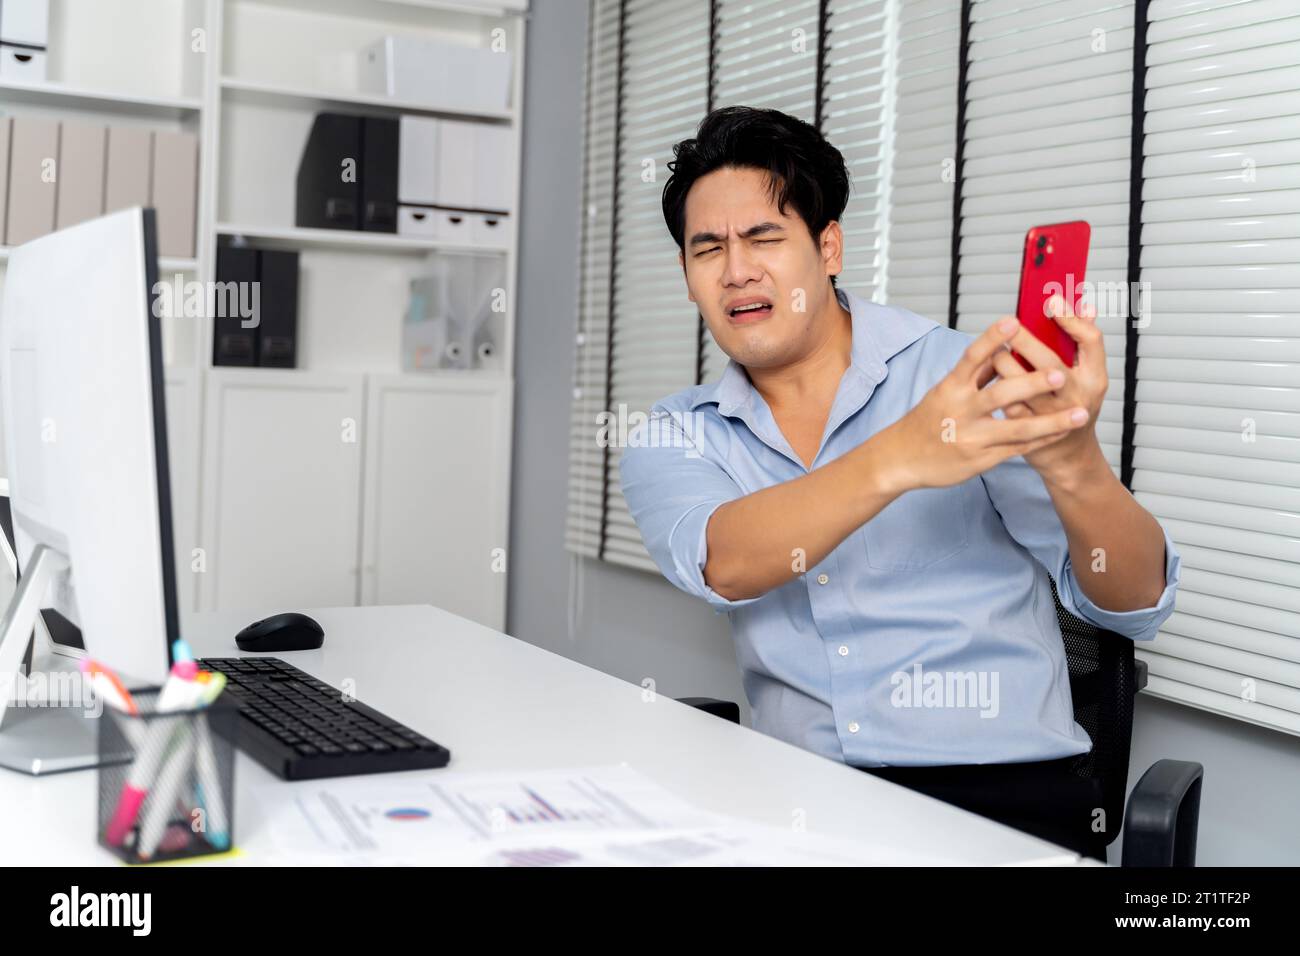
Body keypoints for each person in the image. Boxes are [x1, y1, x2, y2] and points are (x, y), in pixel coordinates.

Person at [619, 106, 1180, 860]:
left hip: (1002, 797)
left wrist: (1077, 463)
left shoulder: (966, 378)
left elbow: (1133, 601)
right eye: (707, 248)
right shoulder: (676, 432)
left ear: (828, 247)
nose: (737, 270)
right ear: (688, 278)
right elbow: (722, 560)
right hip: (796, 802)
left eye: (763, 237)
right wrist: (902, 456)